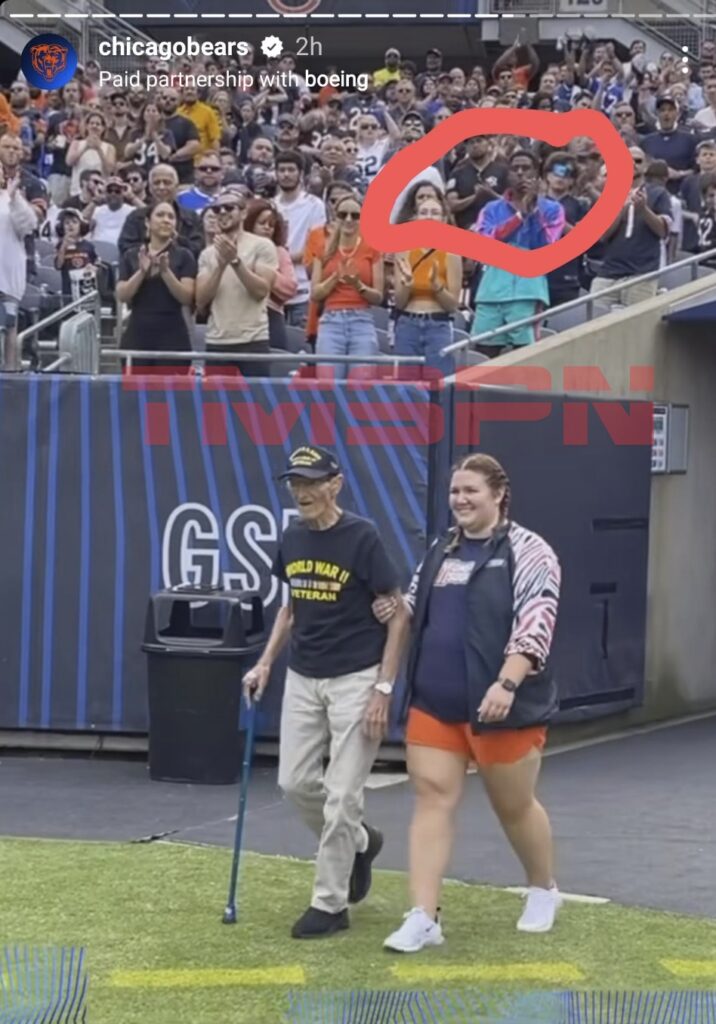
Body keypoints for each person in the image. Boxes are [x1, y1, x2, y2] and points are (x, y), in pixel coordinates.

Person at [372, 453, 561, 952]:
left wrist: (506, 683)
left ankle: (543, 889)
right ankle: (424, 916)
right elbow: (412, 607)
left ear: (499, 494)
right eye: (455, 492)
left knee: (514, 806)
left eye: (471, 491)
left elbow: (536, 623)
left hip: (503, 709)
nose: (460, 500)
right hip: (434, 703)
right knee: (432, 799)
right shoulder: (441, 548)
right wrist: (391, 608)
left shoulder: (530, 550)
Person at [242, 444, 407, 940]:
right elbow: (291, 607)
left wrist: (383, 686)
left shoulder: (362, 536)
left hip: (356, 678)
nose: (302, 492)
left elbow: (397, 612)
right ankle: (360, 842)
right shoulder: (292, 535)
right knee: (294, 782)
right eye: (295, 482)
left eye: (312, 482)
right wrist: (265, 661)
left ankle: (330, 904)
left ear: (335, 484)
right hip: (303, 676)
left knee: (342, 794)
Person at [470, 150, 565, 357]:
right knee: (484, 354)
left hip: (527, 292)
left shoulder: (552, 209)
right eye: (515, 169)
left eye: (526, 168)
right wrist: (520, 215)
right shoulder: (491, 209)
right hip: (491, 292)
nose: (520, 173)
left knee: (525, 356)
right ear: (508, 175)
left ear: (537, 176)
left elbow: (548, 246)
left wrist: (534, 210)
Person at [196, 190, 278, 378]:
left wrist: (235, 262)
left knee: (256, 405)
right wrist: (220, 266)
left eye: (229, 207)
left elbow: (261, 291)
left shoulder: (262, 245)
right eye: (217, 209)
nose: (222, 212)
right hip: (218, 341)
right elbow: (200, 300)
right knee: (217, 406)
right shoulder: (207, 254)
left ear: (243, 213)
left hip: (253, 340)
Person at [116, 201, 197, 373]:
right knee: (135, 396)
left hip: (173, 335)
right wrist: (142, 272)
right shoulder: (132, 255)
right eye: (160, 215)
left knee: (171, 397)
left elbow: (186, 297)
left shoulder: (184, 255)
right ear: (147, 222)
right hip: (138, 333)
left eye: (171, 217)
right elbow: (122, 295)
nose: (166, 220)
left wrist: (166, 272)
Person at [310, 192, 383, 381]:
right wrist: (336, 278)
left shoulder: (372, 247)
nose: (349, 219)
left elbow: (378, 296)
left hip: (362, 320)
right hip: (331, 321)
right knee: (328, 386)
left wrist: (357, 284)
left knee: (361, 389)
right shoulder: (323, 249)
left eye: (355, 215)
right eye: (343, 215)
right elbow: (315, 294)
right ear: (336, 217)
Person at [590, 147, 671, 308]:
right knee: (593, 325)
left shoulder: (658, 193)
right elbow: (603, 236)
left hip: (642, 275)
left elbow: (662, 231)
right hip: (608, 274)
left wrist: (644, 210)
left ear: (646, 166)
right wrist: (621, 209)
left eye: (638, 161)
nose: (633, 164)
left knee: (637, 329)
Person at [393, 194, 462, 380]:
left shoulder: (452, 252)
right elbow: (399, 302)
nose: (429, 217)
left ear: (443, 219)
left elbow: (453, 305)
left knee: (438, 387)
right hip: (408, 323)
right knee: (407, 390)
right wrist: (407, 285)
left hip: (438, 324)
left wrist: (437, 286)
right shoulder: (404, 249)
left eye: (434, 212)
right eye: (424, 212)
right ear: (415, 218)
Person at [243, 198, 298, 351]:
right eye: (262, 223)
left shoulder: (280, 252)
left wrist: (266, 273)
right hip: (240, 317)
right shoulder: (238, 248)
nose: (267, 228)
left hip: (271, 316)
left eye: (271, 225)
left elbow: (290, 288)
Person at [54, 209, 97, 303]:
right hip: (68, 290)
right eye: (67, 223)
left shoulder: (88, 246)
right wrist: (63, 247)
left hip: (85, 289)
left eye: (74, 222)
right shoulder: (60, 246)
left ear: (81, 225)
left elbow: (96, 265)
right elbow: (58, 265)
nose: (71, 225)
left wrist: (92, 268)